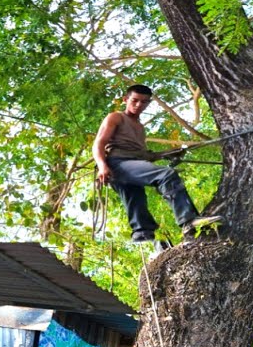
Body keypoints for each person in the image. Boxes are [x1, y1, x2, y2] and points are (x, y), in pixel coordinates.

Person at [93, 84, 220, 242]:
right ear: (125, 99)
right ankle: (188, 220)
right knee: (166, 175)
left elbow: (144, 156)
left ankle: (144, 238)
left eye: (144, 102)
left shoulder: (139, 126)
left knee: (136, 202)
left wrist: (168, 153)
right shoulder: (116, 117)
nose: (139, 105)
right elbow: (98, 143)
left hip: (132, 166)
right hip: (117, 164)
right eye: (135, 100)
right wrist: (102, 166)